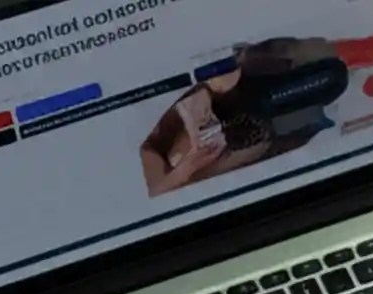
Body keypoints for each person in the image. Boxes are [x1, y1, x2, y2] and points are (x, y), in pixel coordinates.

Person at [140, 37, 347, 197]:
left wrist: (198, 96)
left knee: (326, 74)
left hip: (236, 99)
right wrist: (188, 168)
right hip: (252, 136)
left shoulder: (153, 142)